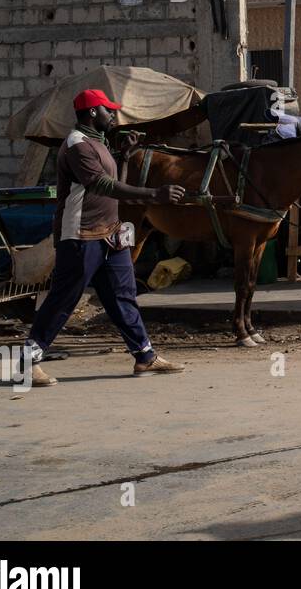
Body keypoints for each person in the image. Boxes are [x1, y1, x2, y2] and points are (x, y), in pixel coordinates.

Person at [22, 89, 188, 387]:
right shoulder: (76, 144)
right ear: (92, 113)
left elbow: (115, 183)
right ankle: (28, 361)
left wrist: (122, 157)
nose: (113, 115)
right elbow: (100, 184)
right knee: (64, 298)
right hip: (81, 236)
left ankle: (144, 355)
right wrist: (156, 194)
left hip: (110, 234)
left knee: (122, 296)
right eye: (108, 110)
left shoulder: (99, 143)